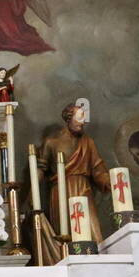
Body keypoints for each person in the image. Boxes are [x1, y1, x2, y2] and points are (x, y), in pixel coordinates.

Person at [37, 102, 112, 242]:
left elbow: (97, 168)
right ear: (68, 118)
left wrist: (109, 181)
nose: (83, 122)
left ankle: (96, 260)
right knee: (66, 233)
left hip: (83, 189)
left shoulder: (88, 142)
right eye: (79, 117)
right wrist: (31, 194)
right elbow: (41, 169)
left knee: (94, 234)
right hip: (61, 191)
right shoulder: (51, 142)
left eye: (84, 118)